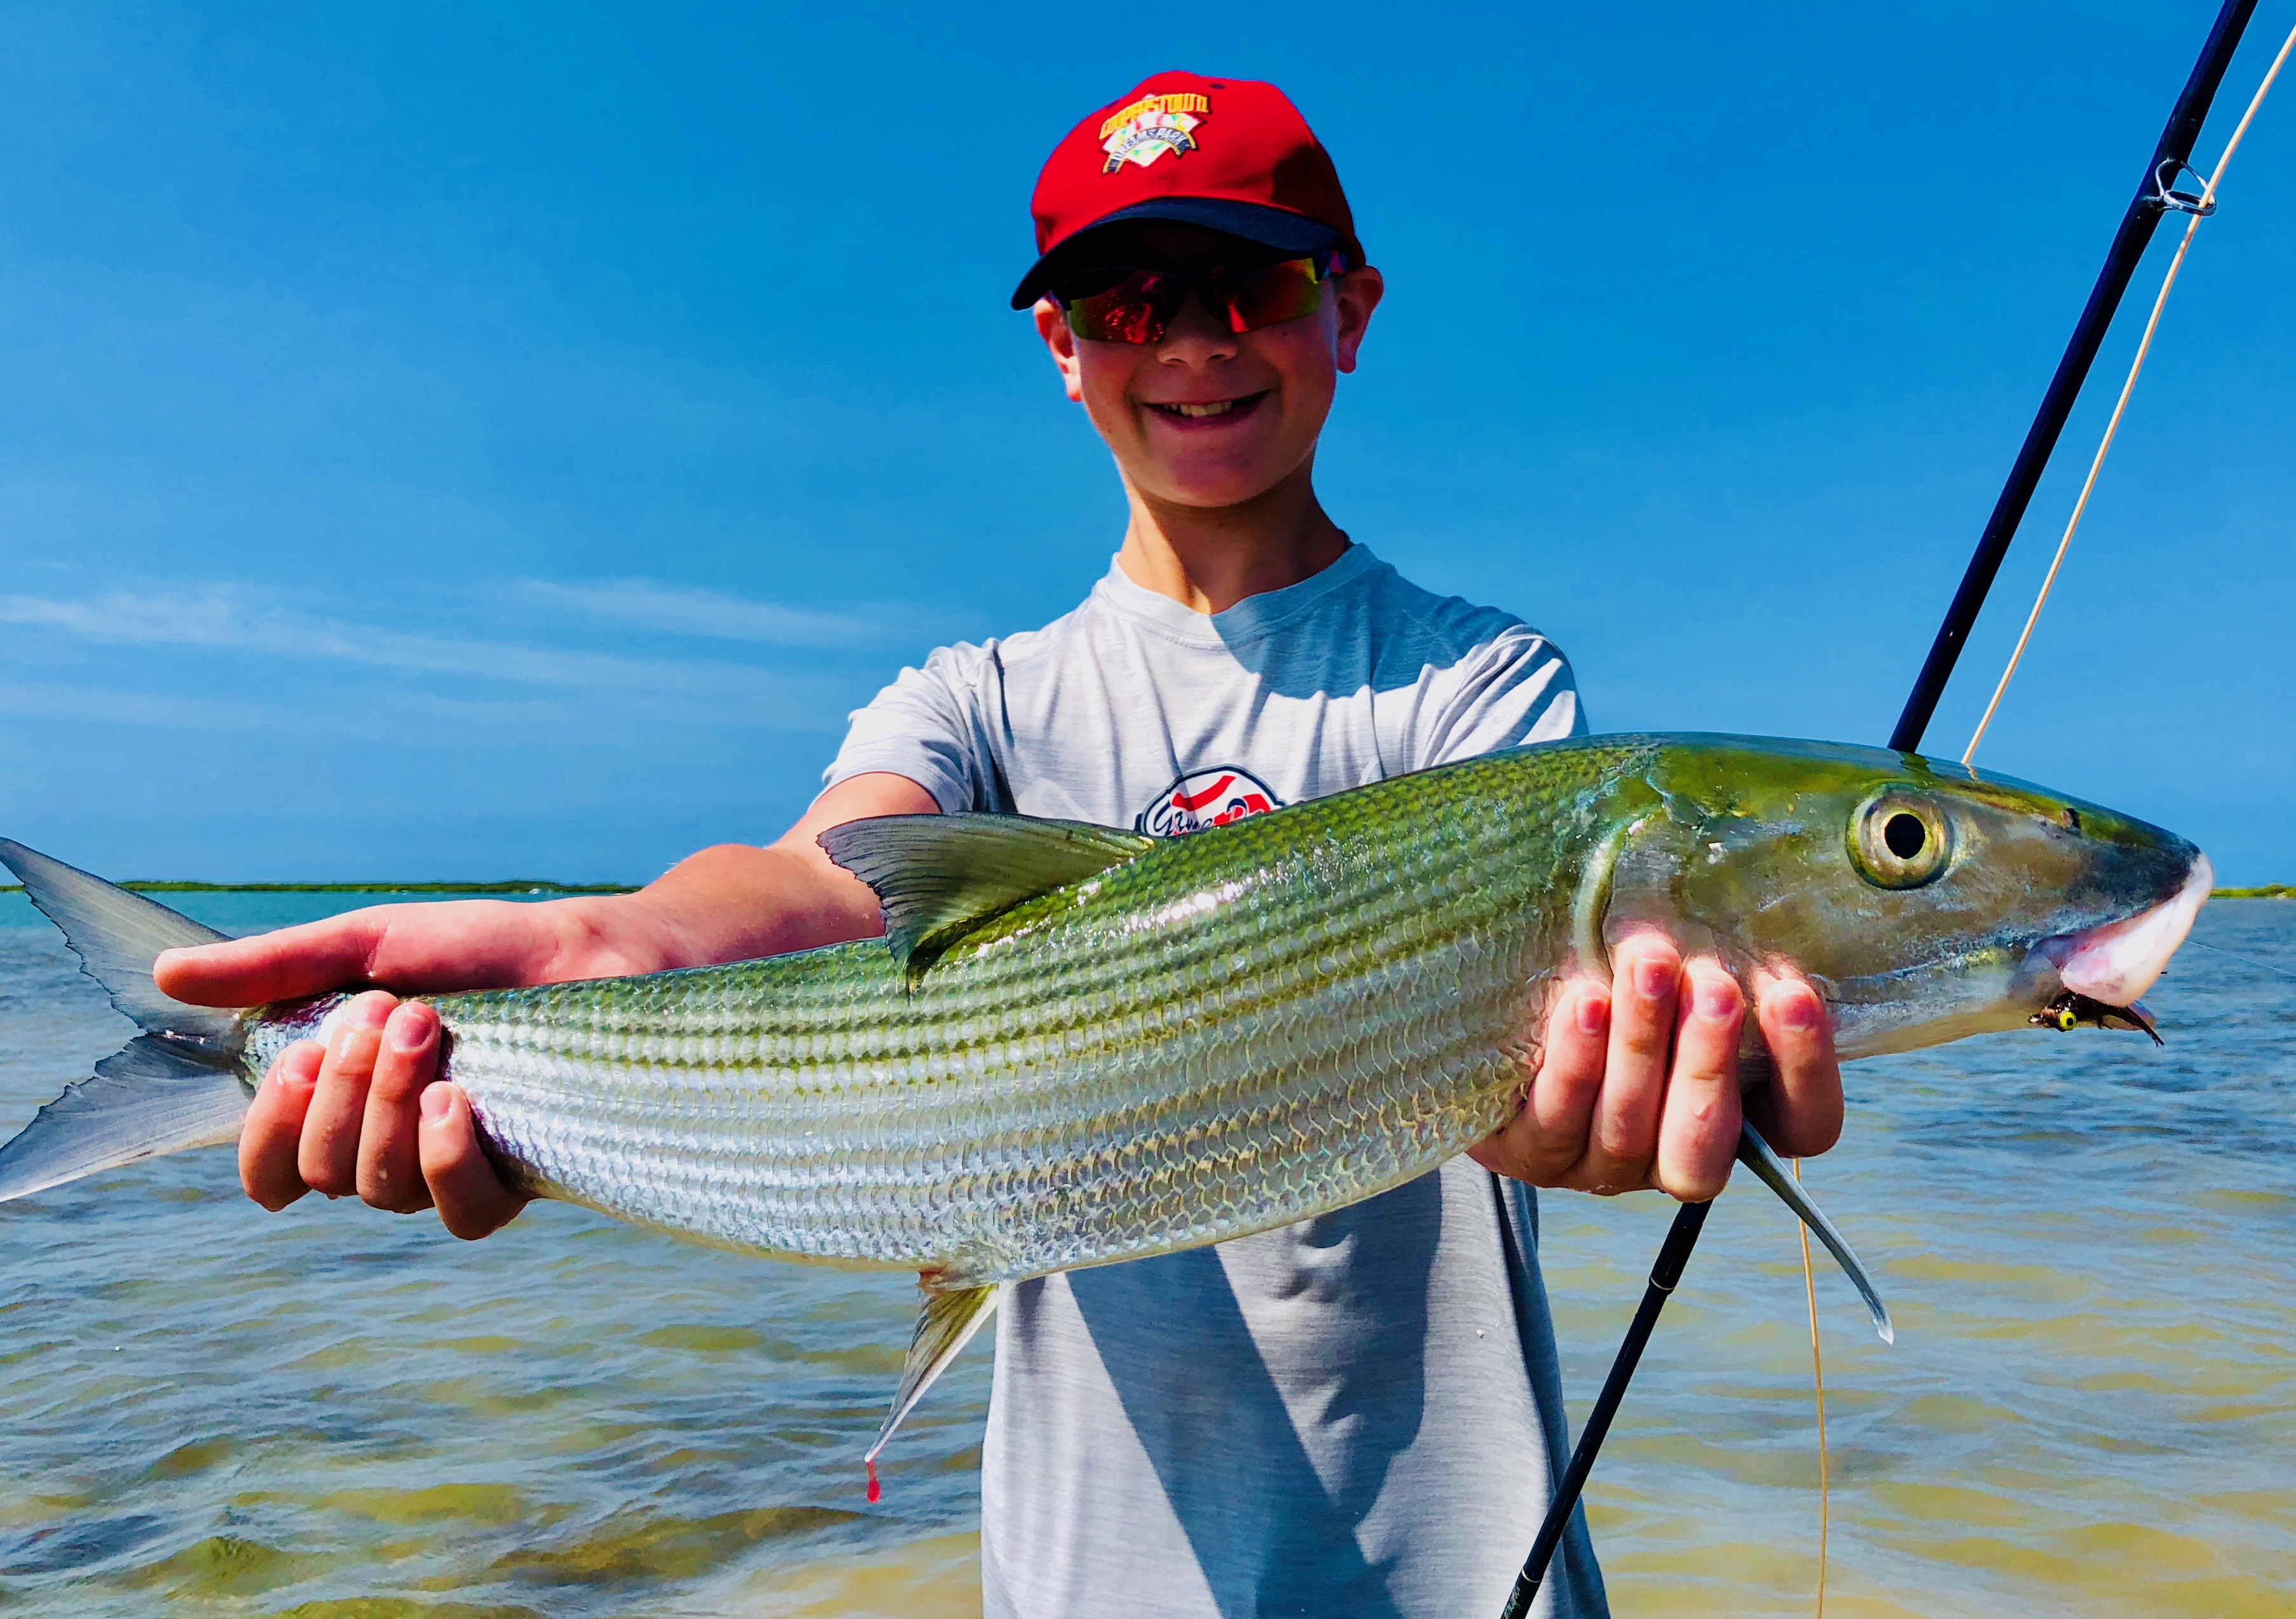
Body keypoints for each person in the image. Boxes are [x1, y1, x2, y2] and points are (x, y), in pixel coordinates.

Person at [157, 72, 1843, 1618]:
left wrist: (1593, 1115)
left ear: (1349, 311)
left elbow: (1550, 1044)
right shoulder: (973, 701)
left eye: (1247, 288)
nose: (1191, 346)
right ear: (1059, 341)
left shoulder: (1481, 685)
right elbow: (812, 879)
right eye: (1132, 302)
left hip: (1477, 1578)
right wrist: (608, 949)